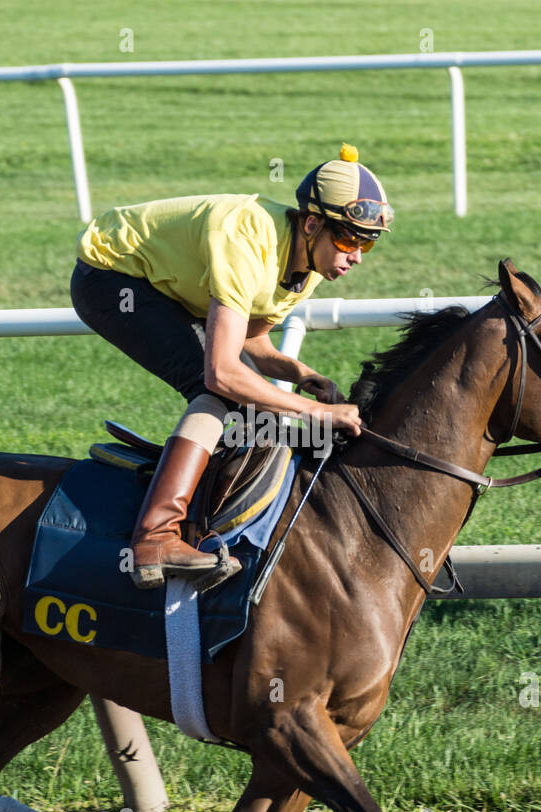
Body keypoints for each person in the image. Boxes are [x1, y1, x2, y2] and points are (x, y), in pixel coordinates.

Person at [69, 143, 392, 591]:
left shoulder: (310, 266)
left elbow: (249, 339)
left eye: (367, 244)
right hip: (112, 278)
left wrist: (300, 374)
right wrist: (315, 413)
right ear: (312, 223)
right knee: (220, 392)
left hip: (166, 285)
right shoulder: (246, 236)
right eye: (348, 239)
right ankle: (155, 537)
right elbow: (222, 371)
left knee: (250, 403)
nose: (355, 256)